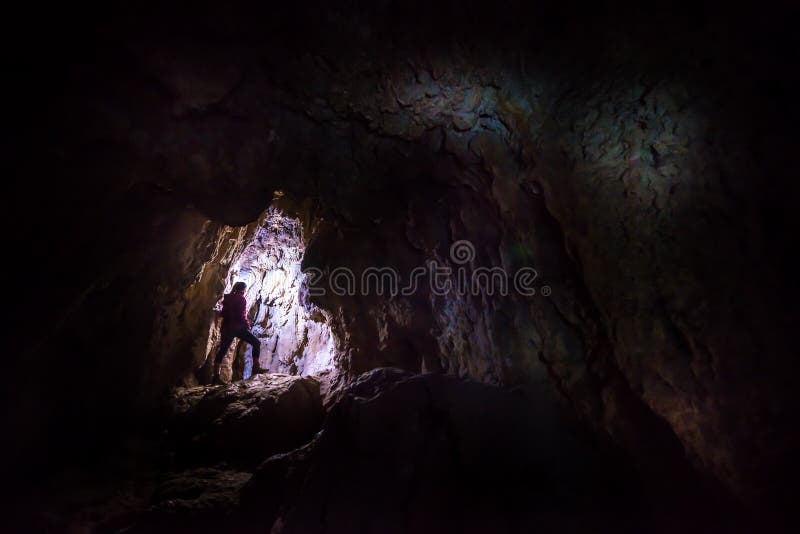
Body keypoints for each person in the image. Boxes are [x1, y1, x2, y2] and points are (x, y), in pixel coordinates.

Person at [213, 281, 266, 383]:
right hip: (238, 328)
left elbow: (223, 313)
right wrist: (247, 325)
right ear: (244, 289)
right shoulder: (241, 299)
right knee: (256, 343)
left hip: (227, 328)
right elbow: (242, 314)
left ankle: (216, 376)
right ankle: (256, 367)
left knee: (222, 351)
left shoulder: (227, 297)